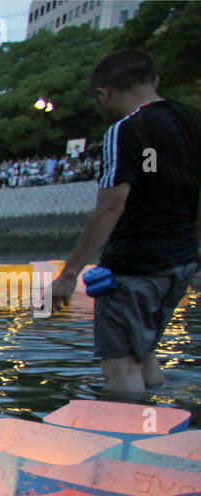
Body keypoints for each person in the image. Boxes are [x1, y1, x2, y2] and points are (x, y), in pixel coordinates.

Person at [51, 48, 201, 396]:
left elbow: (110, 207)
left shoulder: (126, 129)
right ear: (155, 81)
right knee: (145, 354)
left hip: (134, 265)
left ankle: (130, 445)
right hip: (178, 263)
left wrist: (69, 274)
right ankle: (158, 432)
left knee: (120, 365)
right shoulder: (193, 121)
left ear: (105, 93)